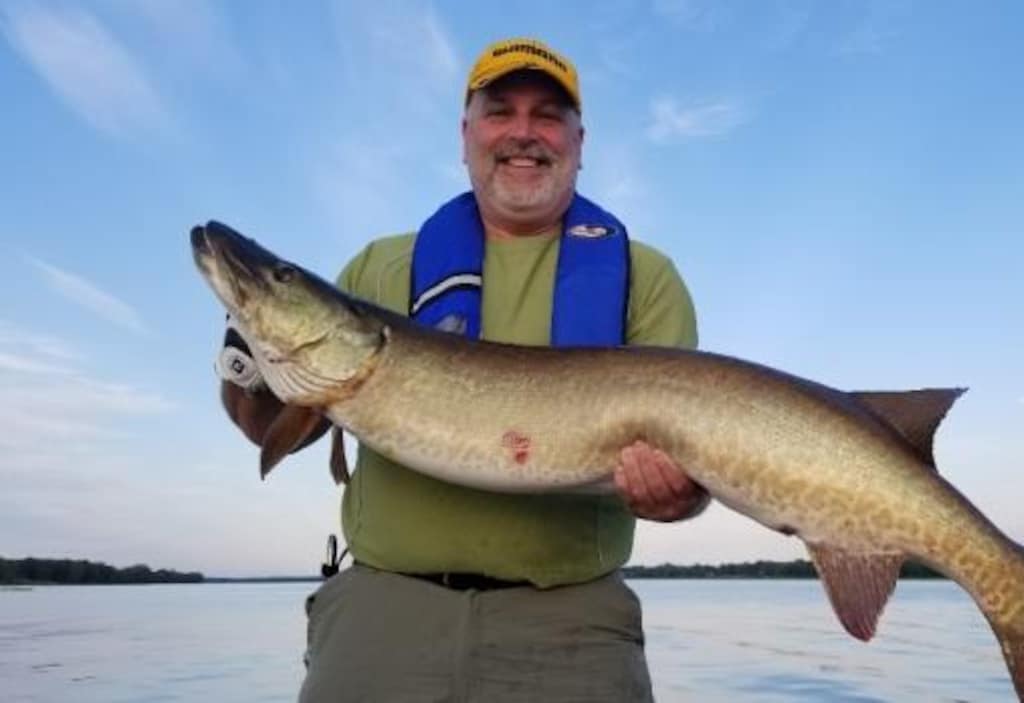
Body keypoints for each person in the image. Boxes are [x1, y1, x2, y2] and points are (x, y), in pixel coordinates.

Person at [215, 37, 705, 701]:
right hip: (384, 613)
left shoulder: (646, 278)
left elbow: (694, 471)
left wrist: (681, 493)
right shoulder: (379, 267)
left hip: (574, 623)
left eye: (548, 116)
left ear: (579, 142)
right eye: (500, 111)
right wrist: (247, 346)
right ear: (465, 134)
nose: (523, 132)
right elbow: (270, 425)